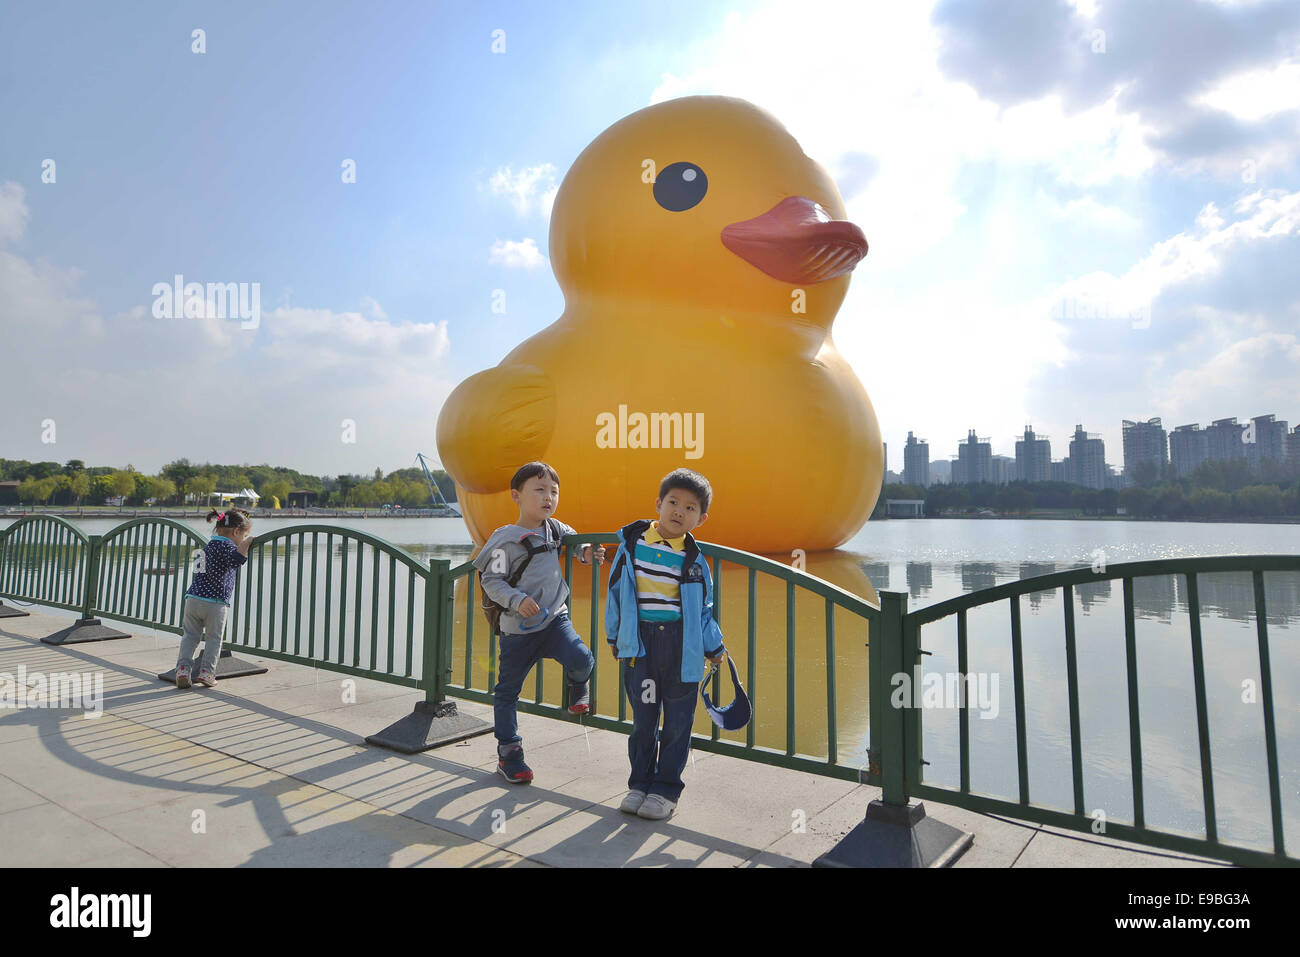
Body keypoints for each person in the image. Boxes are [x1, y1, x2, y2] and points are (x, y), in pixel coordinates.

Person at [605, 468, 725, 821]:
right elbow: (615, 594)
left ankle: (665, 789)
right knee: (643, 720)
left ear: (701, 518)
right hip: (640, 645)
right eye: (672, 502)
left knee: (677, 724)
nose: (678, 511)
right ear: (658, 504)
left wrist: (714, 646)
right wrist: (615, 636)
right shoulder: (632, 545)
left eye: (690, 508)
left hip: (681, 648)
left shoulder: (695, 561)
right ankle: (639, 784)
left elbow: (704, 610)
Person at [473, 462, 604, 784]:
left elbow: (577, 544)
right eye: (540, 490)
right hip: (518, 632)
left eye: (554, 492)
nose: (548, 497)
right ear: (517, 496)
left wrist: (587, 554)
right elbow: (492, 581)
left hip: (555, 620)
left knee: (582, 658)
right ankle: (509, 754)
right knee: (507, 692)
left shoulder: (555, 529)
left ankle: (578, 684)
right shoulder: (505, 540)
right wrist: (517, 600)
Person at [176, 508, 253, 688]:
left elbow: (198, 568)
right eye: (244, 535)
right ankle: (207, 673)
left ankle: (183, 670)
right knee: (213, 638)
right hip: (215, 602)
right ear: (236, 532)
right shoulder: (228, 546)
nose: (243, 539)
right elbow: (235, 561)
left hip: (193, 598)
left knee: (189, 637)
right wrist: (248, 543)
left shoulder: (208, 546)